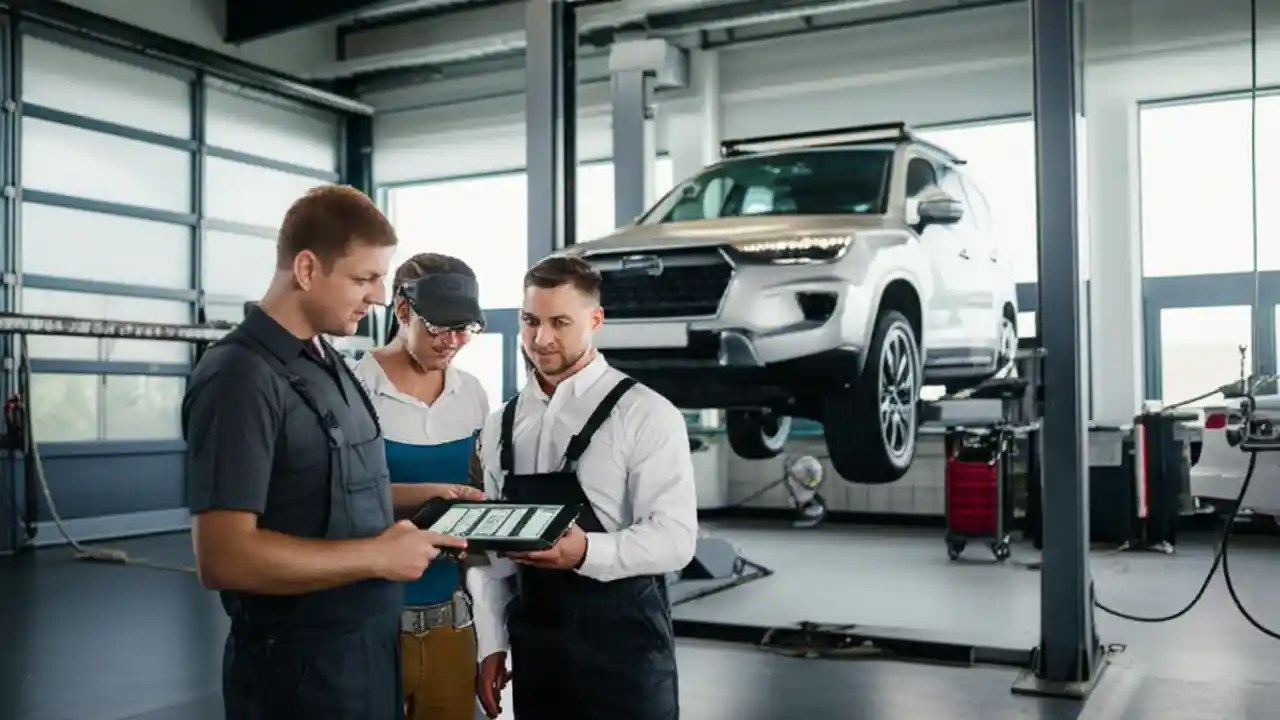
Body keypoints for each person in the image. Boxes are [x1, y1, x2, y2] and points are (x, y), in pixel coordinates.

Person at [182, 185, 478, 720]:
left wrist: (419, 498)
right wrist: (377, 556)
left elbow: (326, 493)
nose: (379, 297)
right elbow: (223, 556)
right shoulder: (240, 377)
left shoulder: (328, 364)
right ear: (305, 268)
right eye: (364, 279)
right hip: (299, 677)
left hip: (365, 656)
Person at [467, 255, 699, 719]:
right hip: (538, 655)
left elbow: (676, 540)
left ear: (596, 320)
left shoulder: (646, 414)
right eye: (530, 321)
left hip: (626, 652)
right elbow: (494, 560)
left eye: (560, 322)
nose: (541, 338)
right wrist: (491, 644)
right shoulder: (501, 425)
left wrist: (584, 552)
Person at [351, 253, 490, 720]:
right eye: (439, 327)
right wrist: (429, 496)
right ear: (403, 310)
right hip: (371, 623)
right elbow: (336, 500)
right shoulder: (355, 387)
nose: (452, 342)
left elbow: (475, 493)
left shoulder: (470, 392)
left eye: (465, 328)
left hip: (451, 623)